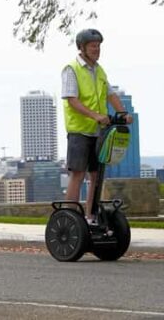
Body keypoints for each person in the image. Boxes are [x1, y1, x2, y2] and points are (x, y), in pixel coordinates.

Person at [62, 29, 132, 223]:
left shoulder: (99, 71)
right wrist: (95, 116)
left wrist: (123, 113)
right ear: (82, 48)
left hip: (98, 131)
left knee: (96, 174)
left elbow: (111, 94)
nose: (97, 49)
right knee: (78, 173)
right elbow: (71, 100)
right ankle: (70, 217)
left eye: (99, 46)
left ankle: (90, 216)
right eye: (93, 46)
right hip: (79, 130)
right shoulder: (72, 68)